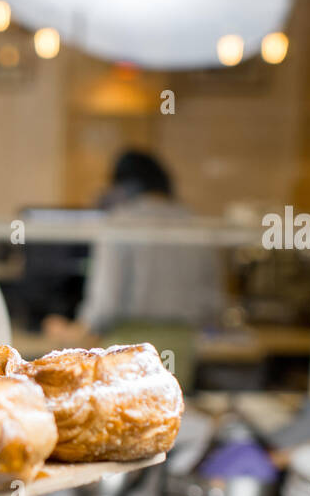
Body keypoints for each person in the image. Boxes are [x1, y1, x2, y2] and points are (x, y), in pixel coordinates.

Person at [42, 150, 223, 391]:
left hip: (127, 350)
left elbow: (105, 306)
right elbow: (213, 303)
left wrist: (72, 332)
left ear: (122, 186)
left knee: (127, 419)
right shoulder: (195, 224)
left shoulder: (119, 223)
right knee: (170, 418)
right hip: (181, 349)